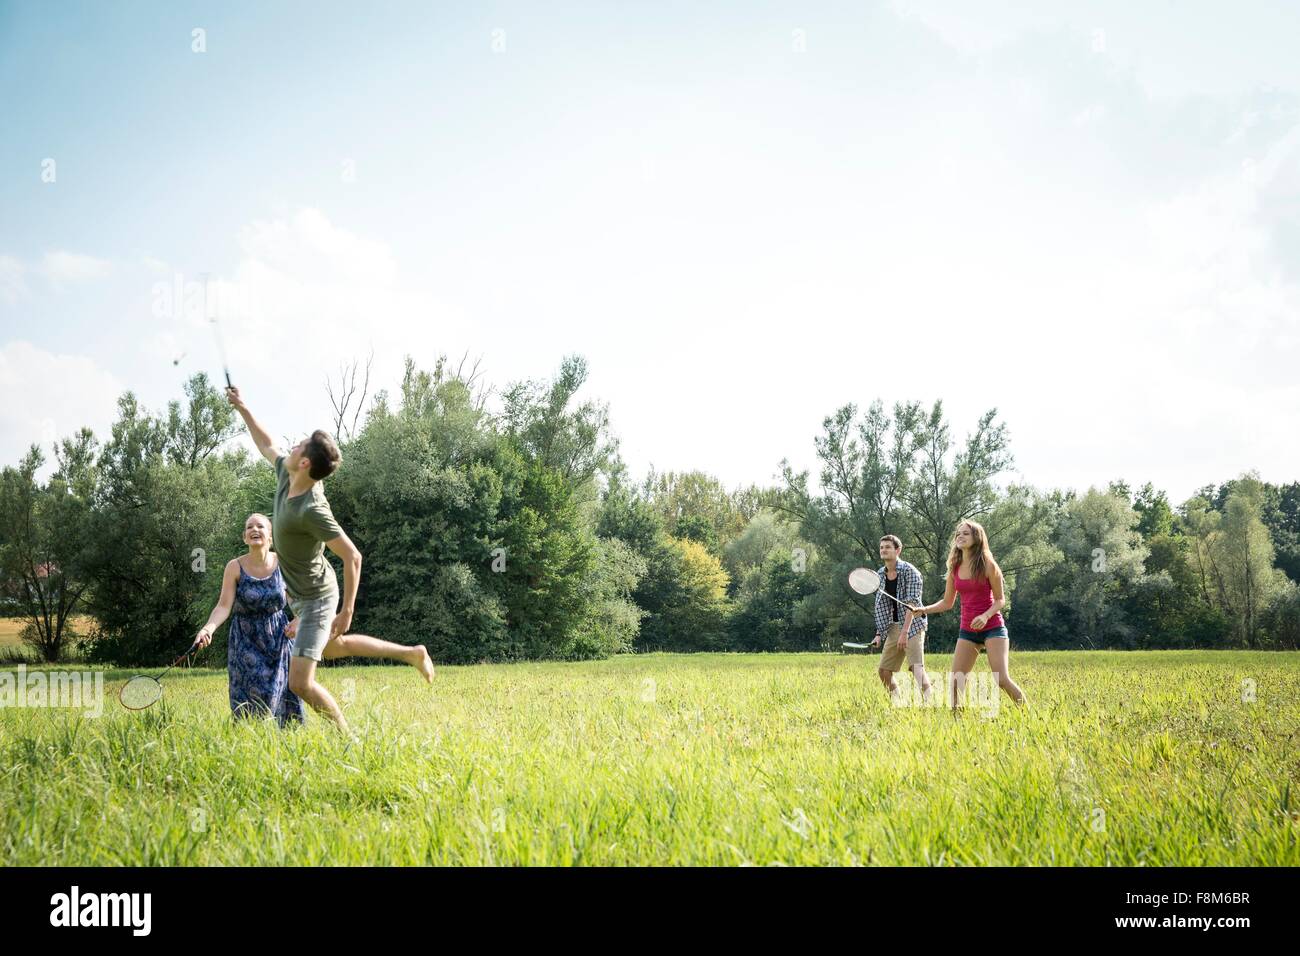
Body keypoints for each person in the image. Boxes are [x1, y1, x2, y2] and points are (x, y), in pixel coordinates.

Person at [225, 386, 434, 736]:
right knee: (336, 648)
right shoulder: (286, 474)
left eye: (300, 445)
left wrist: (346, 611)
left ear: (305, 462)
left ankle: (347, 738)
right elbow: (266, 443)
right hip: (301, 598)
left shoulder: (312, 509)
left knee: (300, 682)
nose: (292, 446)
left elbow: (353, 556)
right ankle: (413, 653)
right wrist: (243, 407)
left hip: (320, 597)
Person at [195, 512, 304, 726]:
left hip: (278, 638)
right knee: (247, 698)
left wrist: (300, 619)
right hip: (244, 641)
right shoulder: (234, 567)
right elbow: (223, 606)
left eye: (260, 526)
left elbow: (297, 601)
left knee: (281, 692)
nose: (254, 530)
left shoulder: (283, 563)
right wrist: (208, 629)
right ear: (245, 537)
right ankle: (249, 742)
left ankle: (283, 746)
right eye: (249, 527)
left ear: (270, 537)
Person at [913, 519, 1027, 709]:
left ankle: (1027, 712)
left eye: (966, 533)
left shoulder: (989, 565)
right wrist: (924, 609)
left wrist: (985, 616)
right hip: (967, 630)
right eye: (958, 533)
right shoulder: (954, 568)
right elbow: (947, 603)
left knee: (1001, 679)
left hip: (993, 628)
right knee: (957, 681)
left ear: (977, 537)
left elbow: (1000, 600)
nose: (960, 536)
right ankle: (957, 722)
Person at [868, 535, 931, 704]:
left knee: (916, 668)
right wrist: (879, 634)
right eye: (881, 547)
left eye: (888, 547)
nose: (883, 550)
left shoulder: (910, 572)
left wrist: (905, 632)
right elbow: (883, 606)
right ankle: (897, 702)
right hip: (893, 626)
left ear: (898, 550)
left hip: (913, 624)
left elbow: (912, 604)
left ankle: (929, 703)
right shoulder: (881, 574)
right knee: (884, 671)